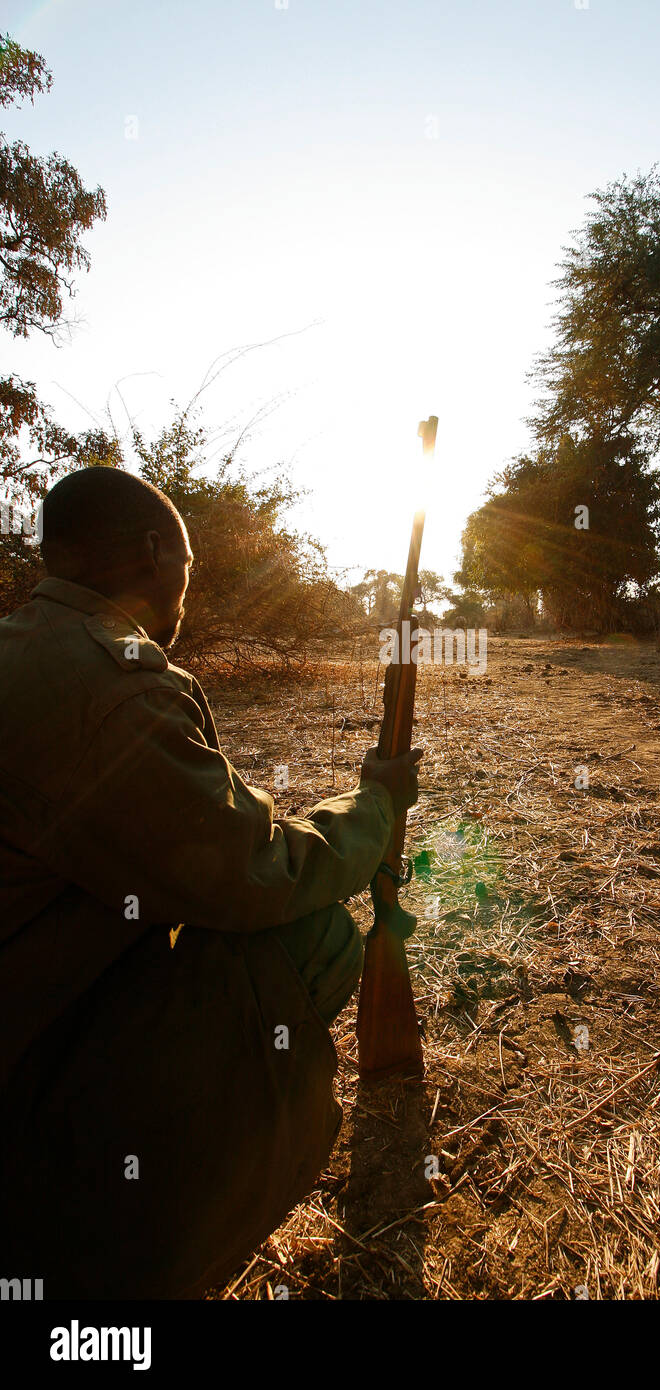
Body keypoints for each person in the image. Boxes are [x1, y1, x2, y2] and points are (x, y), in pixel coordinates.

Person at [0, 466, 422, 1299]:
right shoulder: (109, 685)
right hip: (26, 1055)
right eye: (187, 566)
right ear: (156, 552)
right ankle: (130, 1265)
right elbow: (252, 872)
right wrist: (374, 809)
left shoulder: (23, 647)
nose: (186, 591)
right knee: (312, 940)